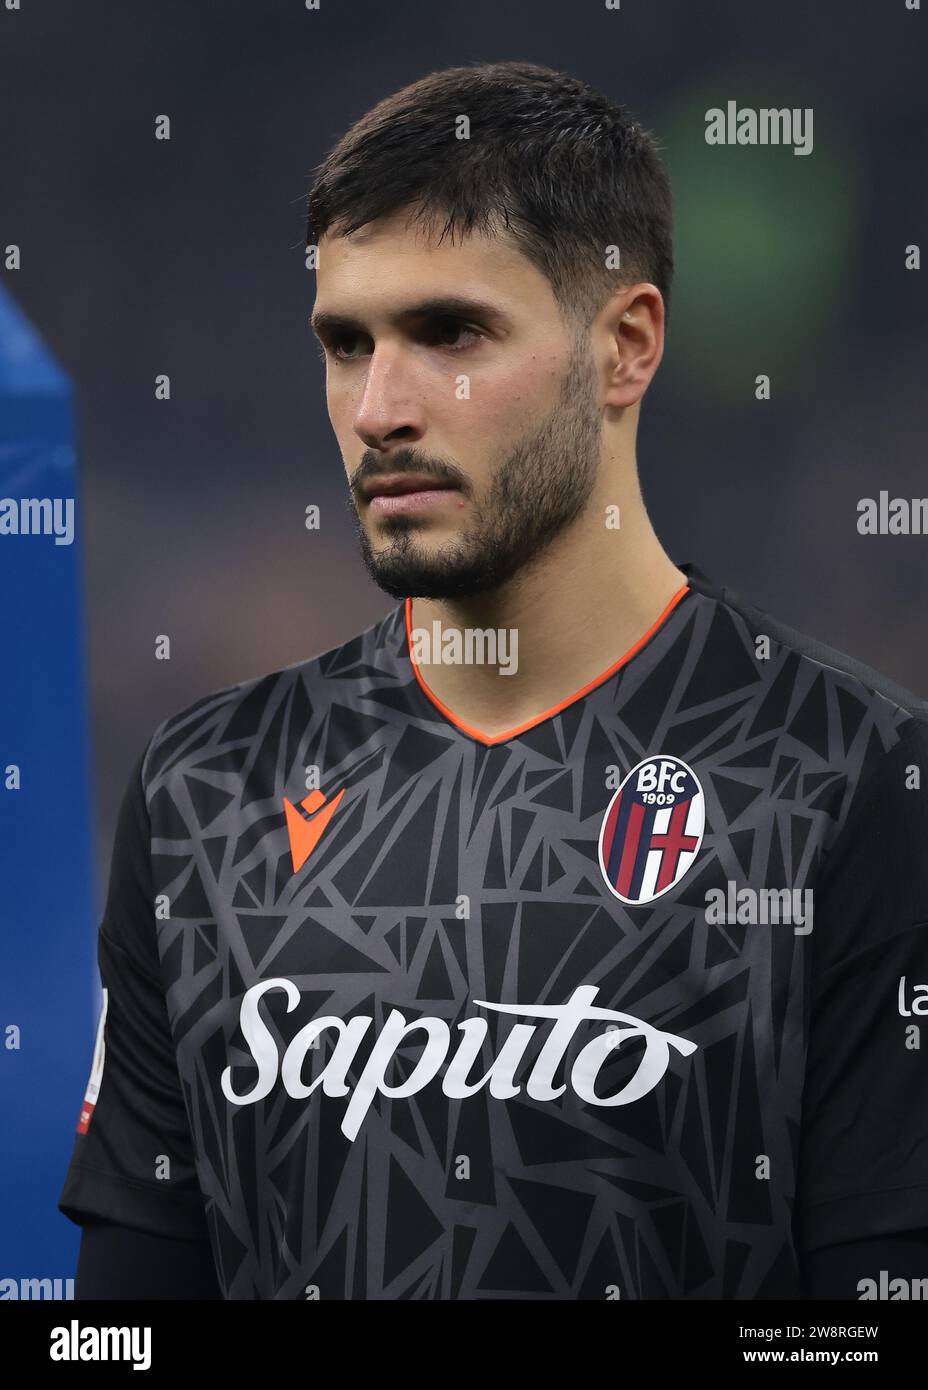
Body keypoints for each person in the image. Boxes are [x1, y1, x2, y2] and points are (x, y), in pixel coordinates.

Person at [60, 60, 928, 1300]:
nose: (378, 406)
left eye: (449, 332)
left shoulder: (849, 779)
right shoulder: (207, 789)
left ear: (624, 347)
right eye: (345, 342)